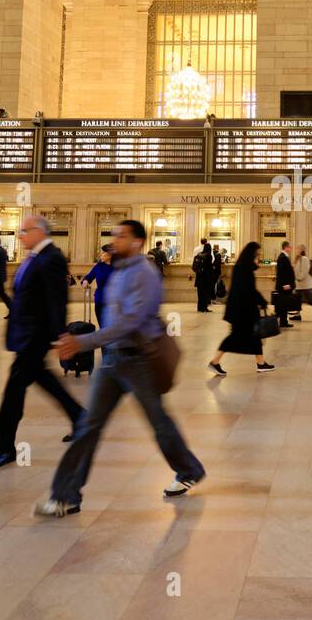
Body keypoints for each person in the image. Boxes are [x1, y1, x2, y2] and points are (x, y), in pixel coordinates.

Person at [40, 219, 205, 516]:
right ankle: (66, 495)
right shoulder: (118, 269)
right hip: (114, 358)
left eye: (122, 235)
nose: (115, 239)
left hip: (139, 359)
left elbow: (129, 322)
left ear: (138, 241)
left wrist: (84, 342)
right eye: (114, 234)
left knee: (159, 422)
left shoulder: (145, 273)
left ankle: (189, 469)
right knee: (90, 425)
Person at [0, 216, 85, 472]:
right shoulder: (35, 256)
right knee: (43, 379)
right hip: (26, 334)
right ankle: (80, 417)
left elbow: (57, 299)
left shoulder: (51, 258)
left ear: (39, 231)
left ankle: (4, 447)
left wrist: (60, 334)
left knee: (14, 389)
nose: (20, 235)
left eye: (24, 231)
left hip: (37, 336)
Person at [208, 241, 274, 375]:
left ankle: (261, 363)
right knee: (235, 337)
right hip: (241, 311)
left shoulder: (242, 267)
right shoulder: (244, 269)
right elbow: (250, 290)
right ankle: (214, 362)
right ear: (252, 254)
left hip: (242, 309)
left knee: (255, 336)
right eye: (258, 254)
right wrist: (265, 303)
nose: (259, 257)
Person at [272, 240, 297, 329]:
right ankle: (281, 321)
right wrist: (285, 284)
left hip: (285, 285)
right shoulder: (283, 257)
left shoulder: (284, 257)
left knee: (284, 304)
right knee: (283, 304)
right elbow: (282, 273)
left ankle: (283, 321)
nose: (291, 249)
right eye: (290, 247)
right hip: (284, 286)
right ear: (286, 247)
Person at [293, 244, 312, 319]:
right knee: (298, 300)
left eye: (298, 249)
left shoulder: (304, 259)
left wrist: (299, 278)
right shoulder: (299, 258)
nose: (296, 250)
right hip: (300, 284)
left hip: (304, 284)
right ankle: (297, 315)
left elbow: (305, 271)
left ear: (302, 250)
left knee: (309, 300)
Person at [192, 241, 217, 313]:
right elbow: (209, 267)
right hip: (206, 278)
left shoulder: (199, 254)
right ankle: (204, 308)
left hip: (199, 278)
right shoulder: (209, 256)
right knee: (206, 293)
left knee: (200, 293)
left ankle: (199, 308)